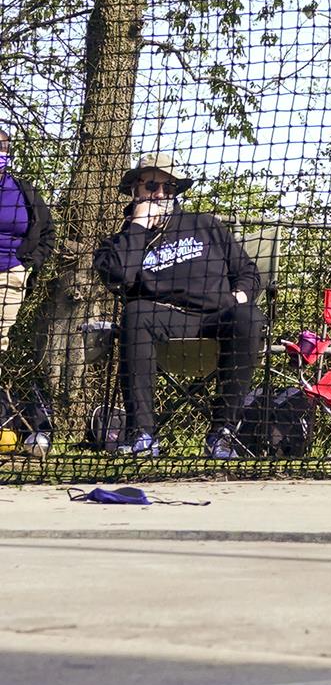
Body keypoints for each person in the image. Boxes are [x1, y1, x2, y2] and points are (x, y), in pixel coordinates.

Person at [91, 152, 262, 458]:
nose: (160, 194)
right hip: (164, 322)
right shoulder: (119, 243)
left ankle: (222, 434)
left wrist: (240, 296)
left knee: (249, 316)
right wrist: (138, 227)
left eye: (168, 187)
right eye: (151, 186)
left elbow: (248, 272)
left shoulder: (205, 224)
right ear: (135, 189)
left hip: (217, 318)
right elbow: (118, 276)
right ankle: (142, 434)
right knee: (136, 313)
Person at [0, 129, 53, 355]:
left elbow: (48, 233)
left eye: (2, 147)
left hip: (9, 277)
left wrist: (26, 265)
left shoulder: (24, 191)